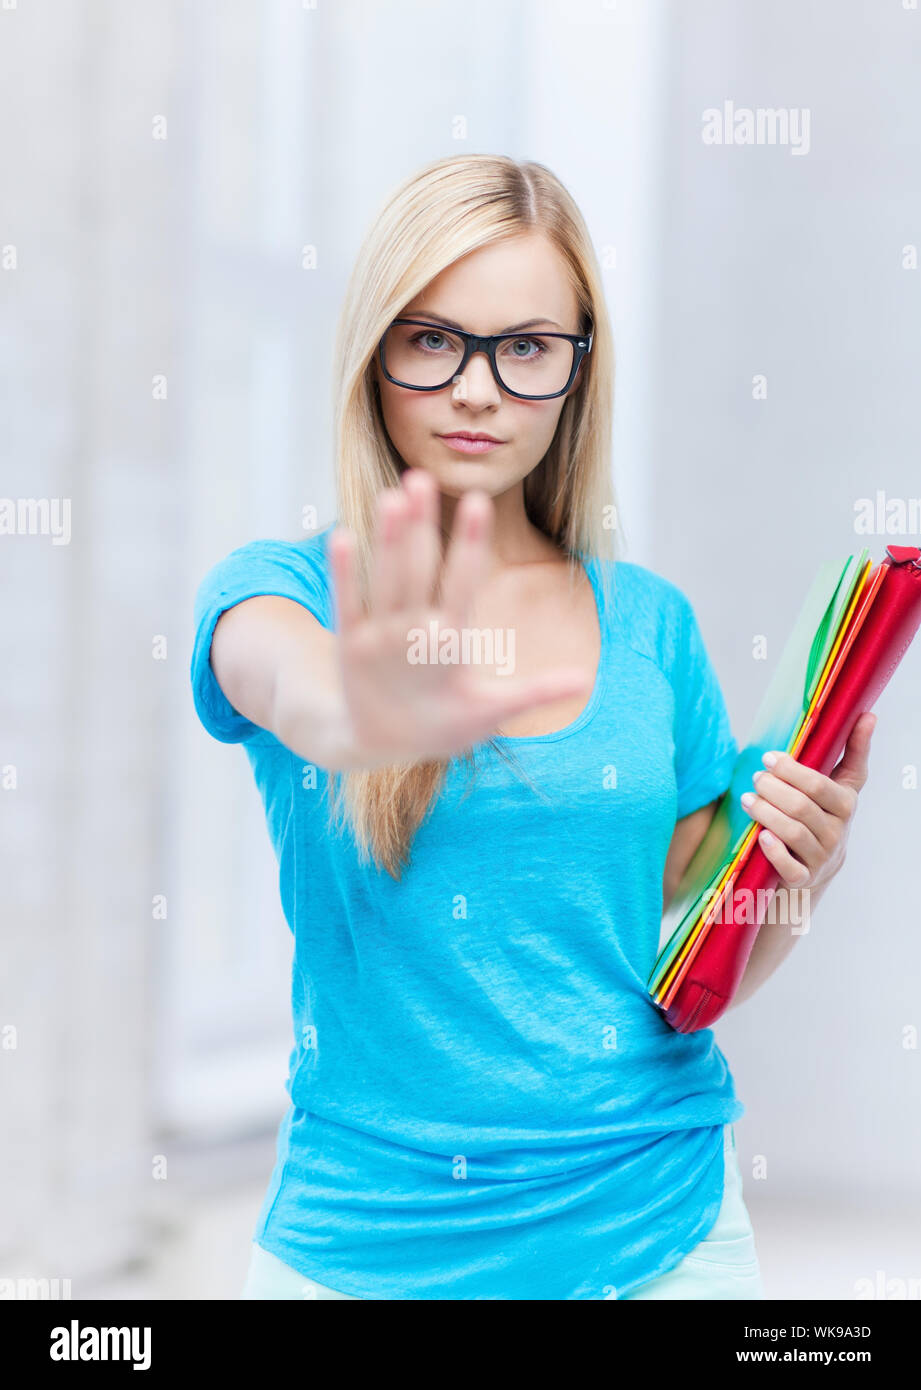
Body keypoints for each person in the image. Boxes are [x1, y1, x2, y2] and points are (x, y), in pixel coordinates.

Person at [191, 154, 868, 1300]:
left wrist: (802, 871)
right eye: (432, 339)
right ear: (375, 354)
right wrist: (355, 711)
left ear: (577, 369)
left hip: (660, 1225)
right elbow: (284, 680)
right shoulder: (281, 593)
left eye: (526, 348)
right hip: (366, 1242)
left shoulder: (651, 625)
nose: (475, 389)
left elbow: (692, 955)